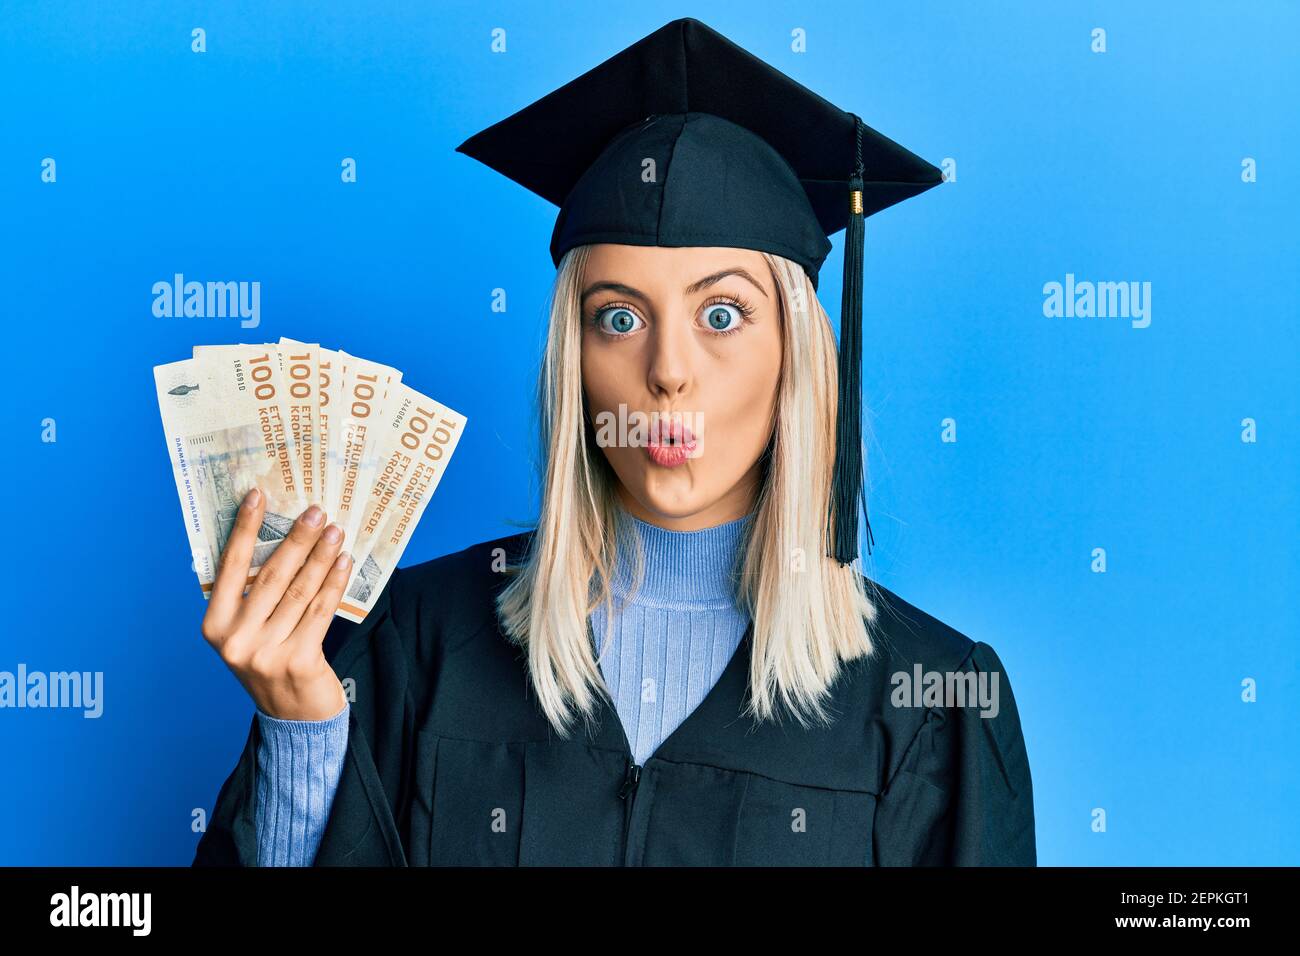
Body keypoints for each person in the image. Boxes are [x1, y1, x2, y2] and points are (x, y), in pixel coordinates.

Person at [193, 17, 1035, 867]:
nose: (667, 371)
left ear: (798, 355)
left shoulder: (929, 705)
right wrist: (299, 731)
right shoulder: (417, 643)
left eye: (722, 315)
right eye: (619, 318)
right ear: (575, 358)